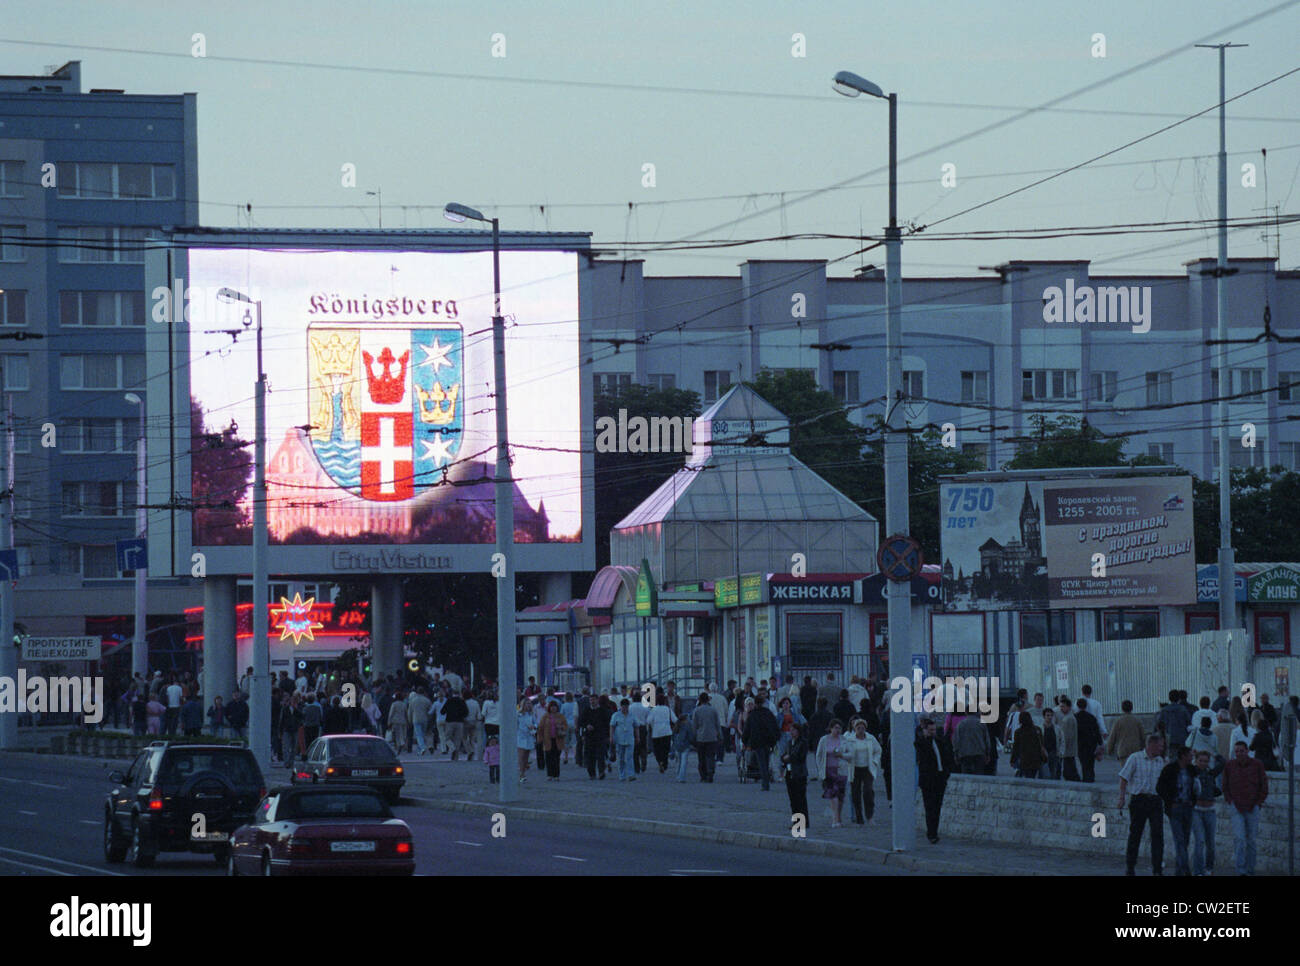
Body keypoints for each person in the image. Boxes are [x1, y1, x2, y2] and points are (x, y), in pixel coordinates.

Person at [1118, 734, 1166, 876]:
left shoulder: (1160, 761)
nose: (1162, 749)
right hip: (1139, 799)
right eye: (1160, 746)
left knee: (1157, 835)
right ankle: (1130, 867)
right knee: (1135, 834)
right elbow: (1124, 777)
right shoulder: (1135, 758)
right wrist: (1121, 797)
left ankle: (1157, 868)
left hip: (1155, 800)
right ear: (1151, 745)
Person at [1221, 740, 1268, 875]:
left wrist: (1259, 802)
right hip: (1236, 806)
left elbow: (1263, 784)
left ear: (1247, 751)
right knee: (1239, 839)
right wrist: (1229, 800)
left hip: (1253, 806)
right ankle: (1240, 870)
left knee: (1251, 840)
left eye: (1242, 751)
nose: (1239, 753)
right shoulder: (1230, 765)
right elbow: (1225, 785)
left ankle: (1250, 869)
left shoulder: (1257, 765)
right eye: (1237, 751)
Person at [1157, 745, 1197, 876]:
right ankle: (1185, 870)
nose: (1192, 757)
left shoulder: (1191, 770)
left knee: (1184, 840)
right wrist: (1170, 801)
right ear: (1183, 756)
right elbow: (1160, 788)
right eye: (1190, 755)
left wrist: (1193, 801)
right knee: (1179, 840)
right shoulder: (1170, 769)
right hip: (1175, 808)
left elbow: (1196, 787)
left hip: (1188, 807)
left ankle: (1180, 871)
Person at [916, 717, 956, 844]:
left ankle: (935, 832)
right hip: (928, 780)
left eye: (934, 729)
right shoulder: (921, 743)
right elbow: (922, 756)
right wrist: (926, 737)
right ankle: (931, 833)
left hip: (939, 779)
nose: (933, 732)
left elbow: (946, 757)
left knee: (937, 807)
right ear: (925, 730)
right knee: (930, 807)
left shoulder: (939, 741)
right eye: (930, 730)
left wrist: (946, 774)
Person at [840, 718, 883, 824]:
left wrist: (874, 761)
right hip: (854, 768)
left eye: (862, 728)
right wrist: (843, 756)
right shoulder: (849, 739)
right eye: (858, 728)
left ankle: (870, 816)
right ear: (854, 729)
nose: (860, 730)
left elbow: (878, 750)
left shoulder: (870, 738)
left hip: (867, 768)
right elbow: (843, 751)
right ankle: (859, 817)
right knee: (855, 793)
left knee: (868, 791)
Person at [1190, 749, 1220, 876]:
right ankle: (1198, 871)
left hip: (1210, 810)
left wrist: (1213, 754)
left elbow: (1222, 763)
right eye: (1200, 761)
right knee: (1200, 841)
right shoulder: (1192, 772)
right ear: (1196, 761)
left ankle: (1208, 868)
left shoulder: (1211, 773)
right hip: (1196, 810)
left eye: (1206, 761)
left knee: (1211, 843)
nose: (1203, 763)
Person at [742, 694, 780, 791]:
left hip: (757, 742)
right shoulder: (768, 713)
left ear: (755, 703)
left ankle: (765, 783)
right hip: (768, 741)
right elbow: (775, 726)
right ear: (763, 703)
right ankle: (766, 780)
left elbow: (747, 730)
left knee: (762, 762)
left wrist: (745, 741)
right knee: (766, 761)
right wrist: (775, 739)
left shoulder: (752, 715)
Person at [814, 719, 848, 827]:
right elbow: (819, 755)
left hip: (841, 770)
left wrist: (841, 755)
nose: (837, 730)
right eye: (835, 728)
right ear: (831, 728)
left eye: (839, 728)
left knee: (841, 796)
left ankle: (839, 816)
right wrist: (820, 769)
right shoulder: (824, 740)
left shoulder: (844, 740)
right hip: (828, 770)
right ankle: (835, 819)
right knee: (833, 794)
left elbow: (849, 753)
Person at [781, 722, 811, 831]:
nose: (791, 732)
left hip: (799, 774)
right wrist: (785, 757)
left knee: (800, 799)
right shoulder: (790, 743)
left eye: (794, 730)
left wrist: (788, 757)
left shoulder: (803, 743)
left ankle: (803, 822)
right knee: (793, 800)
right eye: (790, 730)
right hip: (790, 773)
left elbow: (799, 756)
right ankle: (796, 820)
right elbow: (784, 755)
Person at [578, 693, 612, 780]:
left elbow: (607, 723)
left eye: (594, 700)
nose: (592, 702)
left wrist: (608, 735)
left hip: (600, 736)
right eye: (591, 700)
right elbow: (581, 721)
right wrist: (586, 726)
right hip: (589, 736)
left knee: (600, 755)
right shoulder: (586, 710)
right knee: (590, 755)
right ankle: (592, 773)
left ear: (597, 700)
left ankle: (601, 772)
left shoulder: (603, 711)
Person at [690, 692, 721, 782]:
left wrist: (693, 736)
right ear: (708, 700)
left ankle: (703, 775)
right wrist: (720, 735)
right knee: (711, 756)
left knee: (701, 757)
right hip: (712, 737)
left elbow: (694, 725)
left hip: (701, 737)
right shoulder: (713, 710)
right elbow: (717, 724)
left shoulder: (697, 710)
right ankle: (710, 772)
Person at [537, 699, 568, 780]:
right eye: (552, 707)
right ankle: (549, 774)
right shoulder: (545, 716)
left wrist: (561, 727)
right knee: (548, 757)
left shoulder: (561, 716)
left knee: (556, 757)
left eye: (554, 707)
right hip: (548, 739)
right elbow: (540, 727)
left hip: (558, 739)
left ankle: (556, 775)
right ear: (549, 708)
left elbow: (565, 726)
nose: (553, 708)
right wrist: (540, 738)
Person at [1010, 710, 1045, 778]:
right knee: (1033, 776)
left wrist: (1013, 760)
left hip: (1024, 760)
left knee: (1025, 777)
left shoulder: (1018, 732)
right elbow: (1041, 744)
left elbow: (1016, 748)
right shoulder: (1037, 730)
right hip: (1036, 759)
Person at [648, 693, 677, 773]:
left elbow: (648, 720)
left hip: (656, 732)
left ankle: (659, 761)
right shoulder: (668, 709)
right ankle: (664, 762)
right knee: (665, 749)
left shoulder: (654, 710)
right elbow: (675, 720)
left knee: (657, 749)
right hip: (667, 731)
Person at [610, 698, 638, 781]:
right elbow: (612, 726)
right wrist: (611, 737)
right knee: (621, 758)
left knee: (630, 757)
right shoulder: (616, 715)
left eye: (626, 707)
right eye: (623, 707)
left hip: (630, 738)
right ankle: (622, 775)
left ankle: (631, 774)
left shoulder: (632, 715)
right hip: (619, 739)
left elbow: (636, 726)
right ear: (621, 707)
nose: (625, 709)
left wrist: (637, 737)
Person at [1075, 697, 1102, 783]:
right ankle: (1091, 777)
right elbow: (1096, 730)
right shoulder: (1091, 717)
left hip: (1080, 744)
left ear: (1077, 706)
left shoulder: (1075, 717)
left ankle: (1086, 778)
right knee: (1090, 762)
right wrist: (1100, 742)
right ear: (1086, 706)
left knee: (1083, 762)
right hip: (1091, 743)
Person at [443, 689, 469, 760]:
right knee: (457, 739)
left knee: (447, 738)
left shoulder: (449, 701)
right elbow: (466, 712)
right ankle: (455, 757)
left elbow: (442, 711)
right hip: (460, 722)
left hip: (450, 721)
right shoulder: (462, 701)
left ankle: (452, 748)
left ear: (452, 694)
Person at [515, 699, 537, 783]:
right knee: (521, 755)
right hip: (521, 736)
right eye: (526, 704)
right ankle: (521, 774)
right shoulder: (518, 714)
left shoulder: (531, 714)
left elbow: (535, 723)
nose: (528, 706)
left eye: (529, 704)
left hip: (529, 736)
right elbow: (516, 725)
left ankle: (523, 772)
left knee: (526, 757)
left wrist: (533, 727)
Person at [1058, 697, 1079, 781]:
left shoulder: (1068, 719)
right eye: (1060, 706)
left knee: (1069, 771)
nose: (1061, 708)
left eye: (1063, 706)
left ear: (1069, 707)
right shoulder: (1069, 717)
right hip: (1069, 750)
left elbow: (1067, 736)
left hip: (1068, 750)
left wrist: (1062, 748)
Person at [406, 687, 432, 756]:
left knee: (418, 735)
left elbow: (410, 712)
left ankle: (422, 747)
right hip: (425, 719)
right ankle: (420, 749)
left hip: (416, 719)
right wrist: (429, 719)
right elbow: (430, 711)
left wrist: (409, 720)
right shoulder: (427, 700)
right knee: (422, 734)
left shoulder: (413, 701)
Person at [671, 709, 695, 782]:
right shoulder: (688, 725)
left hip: (677, 745)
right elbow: (691, 736)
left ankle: (678, 775)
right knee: (684, 762)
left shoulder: (677, 726)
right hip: (685, 745)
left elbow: (673, 736)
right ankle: (682, 777)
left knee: (678, 761)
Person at [1040, 706, 1063, 779]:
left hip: (1054, 752)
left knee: (1054, 772)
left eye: (1051, 715)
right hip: (1043, 754)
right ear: (1044, 716)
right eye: (1047, 715)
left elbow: (1062, 740)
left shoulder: (1057, 728)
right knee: (1043, 773)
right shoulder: (1040, 728)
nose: (1049, 717)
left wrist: (1061, 752)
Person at [559, 691, 578, 765]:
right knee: (574, 741)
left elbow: (561, 715)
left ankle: (566, 757)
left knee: (566, 742)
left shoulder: (564, 705)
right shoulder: (575, 704)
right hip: (574, 723)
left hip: (566, 724)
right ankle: (575, 755)